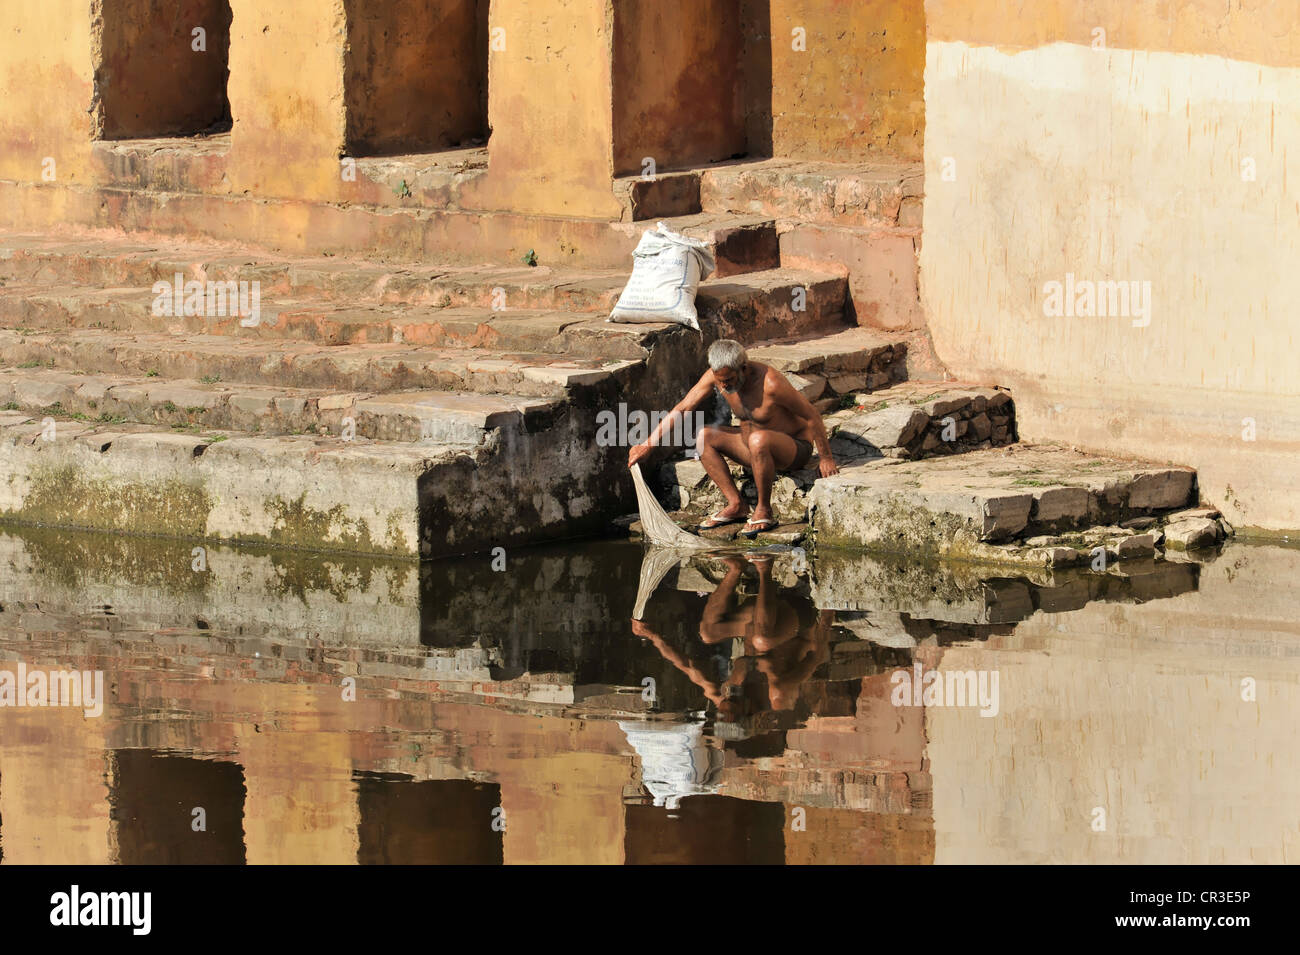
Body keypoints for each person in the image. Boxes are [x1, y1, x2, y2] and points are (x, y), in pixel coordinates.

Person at [627, 338, 837, 538]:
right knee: (702, 436)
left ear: (743, 368)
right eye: (720, 382)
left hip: (792, 449)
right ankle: (736, 504)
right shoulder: (717, 376)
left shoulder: (770, 383)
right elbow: (684, 407)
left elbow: (812, 415)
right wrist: (648, 444)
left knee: (757, 440)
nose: (723, 387)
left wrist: (826, 457)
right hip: (752, 446)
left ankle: (764, 510)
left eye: (728, 381)